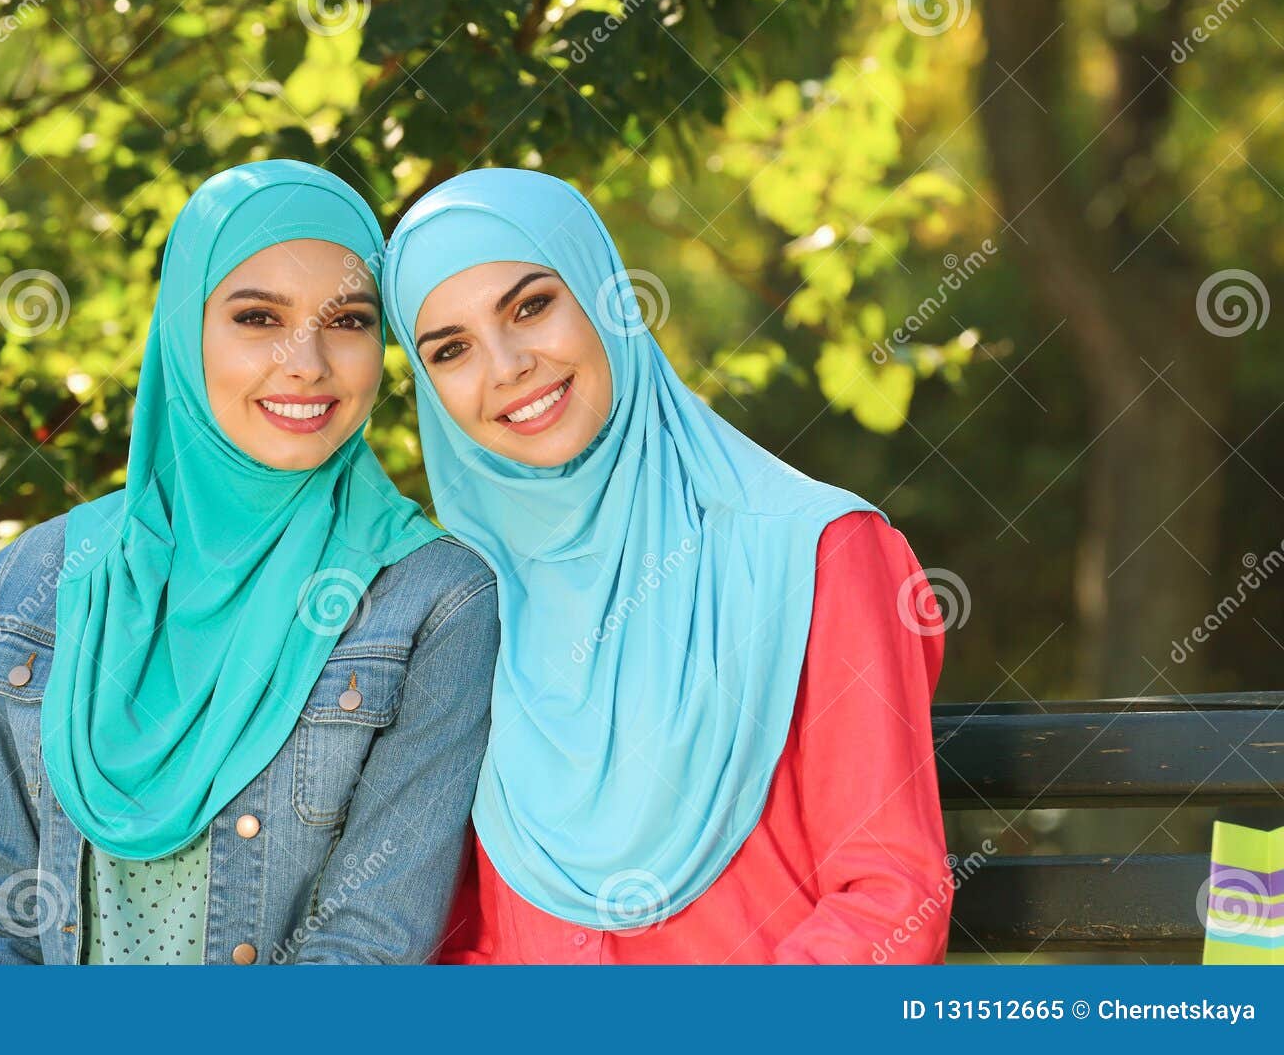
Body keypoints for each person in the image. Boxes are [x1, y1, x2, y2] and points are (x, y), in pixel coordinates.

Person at [381, 167, 951, 963]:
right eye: (451, 350)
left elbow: (890, 891)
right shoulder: (467, 602)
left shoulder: (821, 552)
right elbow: (470, 937)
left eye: (532, 305)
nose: (507, 364)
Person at [0, 160, 499, 965]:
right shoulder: (43, 573)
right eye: (259, 318)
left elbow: (367, 944)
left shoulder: (434, 600)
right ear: (183, 329)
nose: (306, 362)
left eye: (347, 321)